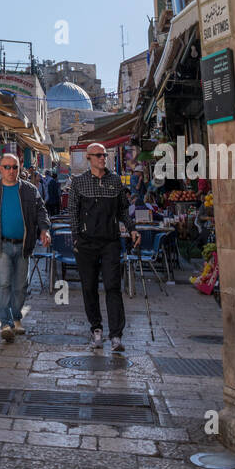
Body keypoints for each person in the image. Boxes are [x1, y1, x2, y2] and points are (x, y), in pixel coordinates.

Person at [69, 143, 140, 353]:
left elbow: (123, 211)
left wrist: (132, 229)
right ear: (89, 158)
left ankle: (116, 335)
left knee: (112, 286)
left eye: (104, 155)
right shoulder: (79, 183)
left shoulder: (115, 181)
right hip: (86, 242)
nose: (103, 158)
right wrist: (75, 238)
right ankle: (96, 329)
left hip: (110, 241)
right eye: (99, 155)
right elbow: (73, 211)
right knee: (89, 287)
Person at [0, 152, 51, 342]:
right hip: (0, 244)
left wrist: (44, 229)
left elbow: (41, 210)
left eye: (14, 167)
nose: (11, 171)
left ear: (19, 168)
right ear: (0, 169)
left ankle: (16, 317)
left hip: (24, 245)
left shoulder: (29, 190)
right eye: (7, 167)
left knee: (20, 285)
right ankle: (5, 323)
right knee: (4, 283)